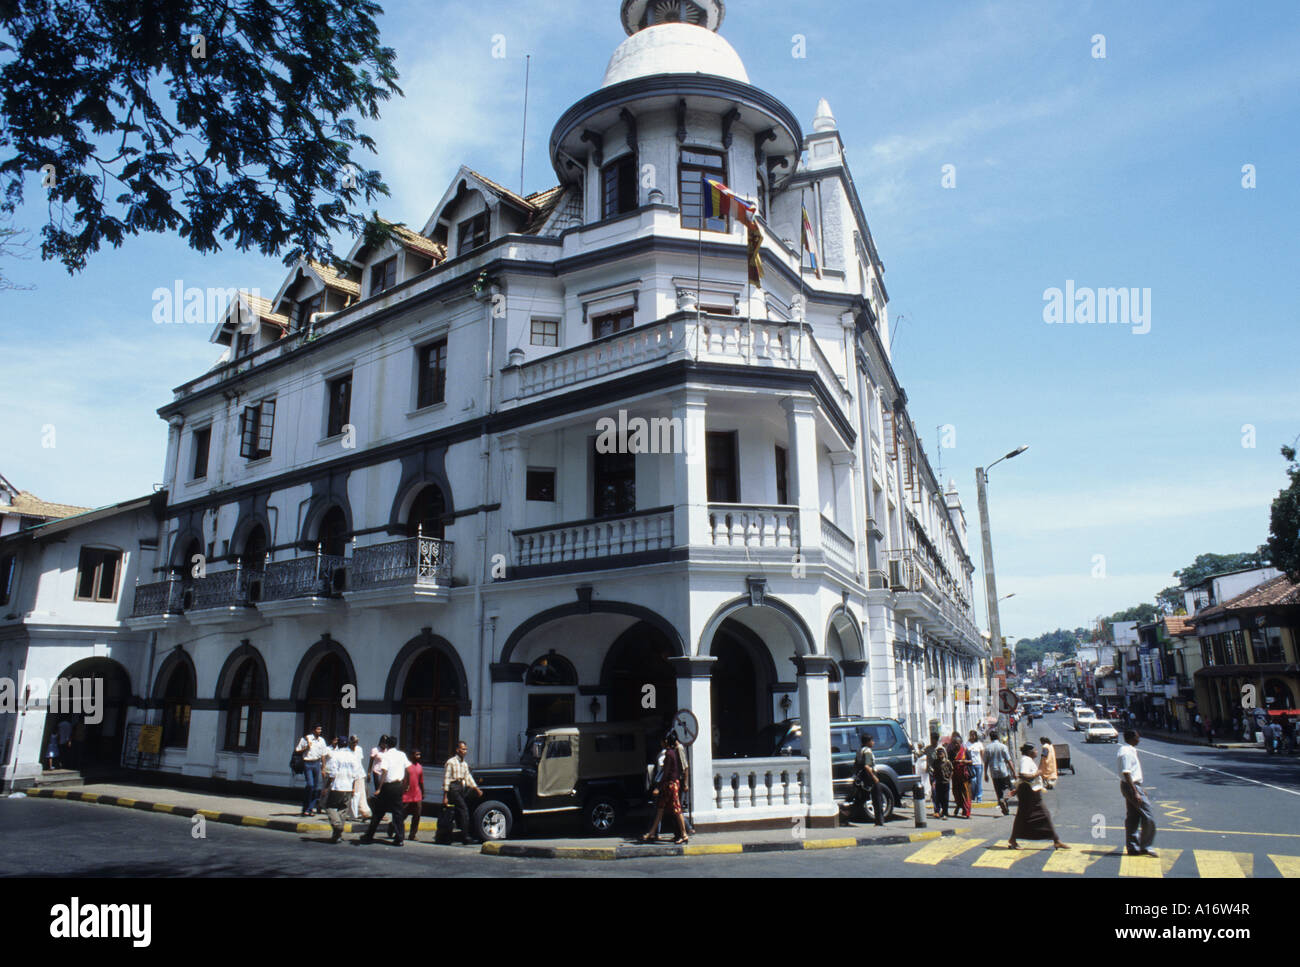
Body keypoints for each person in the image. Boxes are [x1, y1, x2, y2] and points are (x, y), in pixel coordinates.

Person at [1007, 743, 1068, 851]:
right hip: (1028, 793)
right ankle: (1056, 840)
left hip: (1031, 792)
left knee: (1035, 815)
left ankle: (1056, 840)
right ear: (1029, 751)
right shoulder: (1025, 760)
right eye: (1035, 749)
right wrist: (1037, 774)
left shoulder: (1028, 760)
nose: (1036, 751)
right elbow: (1023, 775)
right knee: (1030, 815)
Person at [360, 735, 410, 846]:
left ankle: (369, 835)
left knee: (378, 812)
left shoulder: (386, 756)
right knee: (398, 813)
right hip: (398, 786)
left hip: (387, 787)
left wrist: (379, 788)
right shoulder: (402, 755)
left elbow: (384, 773)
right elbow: (408, 770)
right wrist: (407, 784)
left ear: (387, 744)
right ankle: (399, 838)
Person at [642, 733, 689, 844]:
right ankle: (652, 832)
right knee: (660, 808)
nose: (661, 743)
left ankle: (684, 833)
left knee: (676, 810)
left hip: (671, 785)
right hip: (669, 784)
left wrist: (658, 787)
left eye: (662, 741)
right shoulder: (672, 753)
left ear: (666, 742)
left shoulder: (669, 754)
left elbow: (666, 773)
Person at [1118, 730, 1156, 857]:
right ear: (1132, 738)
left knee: (1134, 818)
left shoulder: (1129, 750)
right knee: (1148, 816)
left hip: (1133, 786)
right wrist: (1135, 792)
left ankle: (1133, 847)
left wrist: (1139, 787)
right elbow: (1126, 772)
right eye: (1138, 737)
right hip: (1130, 786)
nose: (1139, 740)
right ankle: (1145, 845)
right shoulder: (1126, 753)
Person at [443, 740, 483, 845]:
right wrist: (445, 796)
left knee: (455, 813)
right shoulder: (451, 762)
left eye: (466, 749)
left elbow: (468, 777)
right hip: (453, 788)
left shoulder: (464, 764)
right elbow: (446, 779)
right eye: (463, 749)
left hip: (460, 787)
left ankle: (447, 837)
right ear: (457, 750)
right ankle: (465, 836)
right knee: (464, 810)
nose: (465, 751)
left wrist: (476, 789)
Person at [323, 735, 361, 843]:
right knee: (343, 810)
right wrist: (353, 788)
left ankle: (337, 825)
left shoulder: (336, 755)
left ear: (338, 744)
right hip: (348, 787)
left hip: (337, 786)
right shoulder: (353, 756)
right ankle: (337, 835)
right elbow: (356, 774)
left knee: (329, 806)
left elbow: (333, 774)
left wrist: (326, 787)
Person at [851, 733, 885, 826]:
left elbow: (856, 764)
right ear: (868, 742)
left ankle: (850, 814)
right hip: (870, 776)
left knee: (862, 797)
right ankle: (879, 820)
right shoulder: (868, 751)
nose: (873, 742)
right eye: (872, 741)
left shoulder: (860, 750)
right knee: (878, 798)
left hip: (862, 777)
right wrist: (874, 777)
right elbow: (867, 766)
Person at [295, 724, 328, 816]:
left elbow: (323, 754)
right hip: (307, 763)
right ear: (313, 730)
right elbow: (297, 750)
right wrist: (306, 747)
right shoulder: (306, 739)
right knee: (310, 784)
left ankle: (310, 809)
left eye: (320, 729)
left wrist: (323, 767)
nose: (319, 731)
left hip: (317, 763)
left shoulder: (322, 740)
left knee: (315, 787)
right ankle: (306, 806)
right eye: (318, 729)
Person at [984, 729, 1015, 815]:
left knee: (998, 790)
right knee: (1007, 789)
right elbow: (1009, 760)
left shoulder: (987, 748)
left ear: (990, 738)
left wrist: (985, 774)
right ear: (998, 737)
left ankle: (1003, 805)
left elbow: (986, 762)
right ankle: (1004, 800)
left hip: (994, 772)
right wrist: (1014, 772)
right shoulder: (1003, 747)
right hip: (1003, 772)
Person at [402, 749, 426, 840]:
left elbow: (421, 781)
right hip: (407, 795)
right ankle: (392, 826)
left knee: (417, 815)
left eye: (419, 755)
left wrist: (423, 792)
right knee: (403, 814)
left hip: (417, 794)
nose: (418, 757)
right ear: (412, 756)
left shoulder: (420, 767)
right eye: (417, 755)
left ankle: (412, 834)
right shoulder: (407, 767)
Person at [348, 735, 372, 820]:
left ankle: (363, 811)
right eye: (354, 742)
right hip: (351, 774)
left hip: (359, 773)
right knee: (354, 794)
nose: (355, 744)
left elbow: (359, 762)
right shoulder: (347, 751)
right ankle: (354, 812)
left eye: (356, 742)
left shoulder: (359, 749)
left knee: (362, 793)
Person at [952, 739, 972, 819]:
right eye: (954, 743)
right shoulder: (952, 752)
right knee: (956, 793)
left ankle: (967, 812)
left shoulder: (965, 751)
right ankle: (959, 806)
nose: (956, 745)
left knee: (966, 794)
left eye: (957, 743)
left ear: (960, 743)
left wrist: (962, 761)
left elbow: (971, 761)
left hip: (964, 776)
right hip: (955, 776)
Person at [931, 745, 952, 819]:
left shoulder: (947, 762)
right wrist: (934, 781)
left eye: (941, 753)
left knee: (945, 798)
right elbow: (934, 772)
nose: (940, 755)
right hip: (938, 782)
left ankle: (945, 812)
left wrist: (949, 779)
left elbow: (951, 771)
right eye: (938, 753)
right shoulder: (936, 762)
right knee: (938, 797)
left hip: (945, 782)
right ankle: (938, 811)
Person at [965, 730, 985, 802]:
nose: (972, 737)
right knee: (973, 780)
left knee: (979, 781)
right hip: (971, 765)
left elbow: (982, 754)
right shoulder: (967, 744)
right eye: (971, 735)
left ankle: (979, 796)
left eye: (974, 735)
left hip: (978, 764)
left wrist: (984, 763)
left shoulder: (979, 744)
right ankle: (973, 794)